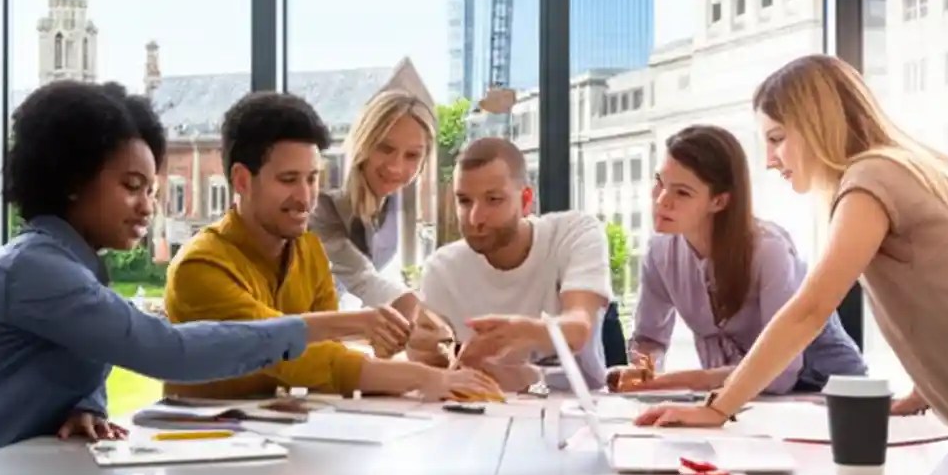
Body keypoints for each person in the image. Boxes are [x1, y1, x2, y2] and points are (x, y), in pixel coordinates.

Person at [0, 81, 376, 475]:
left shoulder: (73, 268)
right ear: (72, 180)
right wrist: (320, 326)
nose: (148, 205)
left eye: (150, 188)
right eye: (131, 185)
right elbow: (169, 351)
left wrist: (86, 406)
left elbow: (83, 361)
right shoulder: (35, 268)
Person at [635, 55, 948, 468]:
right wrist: (923, 394)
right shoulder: (918, 169)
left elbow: (810, 310)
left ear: (818, 125)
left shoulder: (870, 180)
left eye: (777, 138)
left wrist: (716, 409)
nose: (769, 159)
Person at [164, 91, 500, 401]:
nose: (305, 198)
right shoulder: (201, 267)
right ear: (241, 181)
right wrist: (426, 378)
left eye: (312, 179)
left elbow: (330, 354)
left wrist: (395, 346)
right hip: (202, 442)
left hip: (271, 438)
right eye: (288, 180)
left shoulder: (308, 252)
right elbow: (296, 356)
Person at [608, 125, 866, 395]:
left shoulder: (768, 250)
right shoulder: (660, 252)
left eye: (682, 192)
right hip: (743, 394)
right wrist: (644, 373)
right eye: (659, 182)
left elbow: (781, 375)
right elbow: (649, 339)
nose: (662, 200)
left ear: (719, 202)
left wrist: (677, 381)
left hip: (825, 388)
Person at [406, 137, 613, 390]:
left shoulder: (574, 233)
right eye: (464, 201)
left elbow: (579, 327)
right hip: (482, 415)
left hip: (576, 410)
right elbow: (439, 370)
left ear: (526, 200)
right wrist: (423, 354)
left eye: (493, 200)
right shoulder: (441, 269)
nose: (475, 218)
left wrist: (524, 331)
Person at [310, 89, 434, 323]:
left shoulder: (390, 196)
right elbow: (361, 278)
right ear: (363, 142)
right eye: (385, 148)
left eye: (412, 156)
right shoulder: (323, 197)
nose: (396, 167)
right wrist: (430, 318)